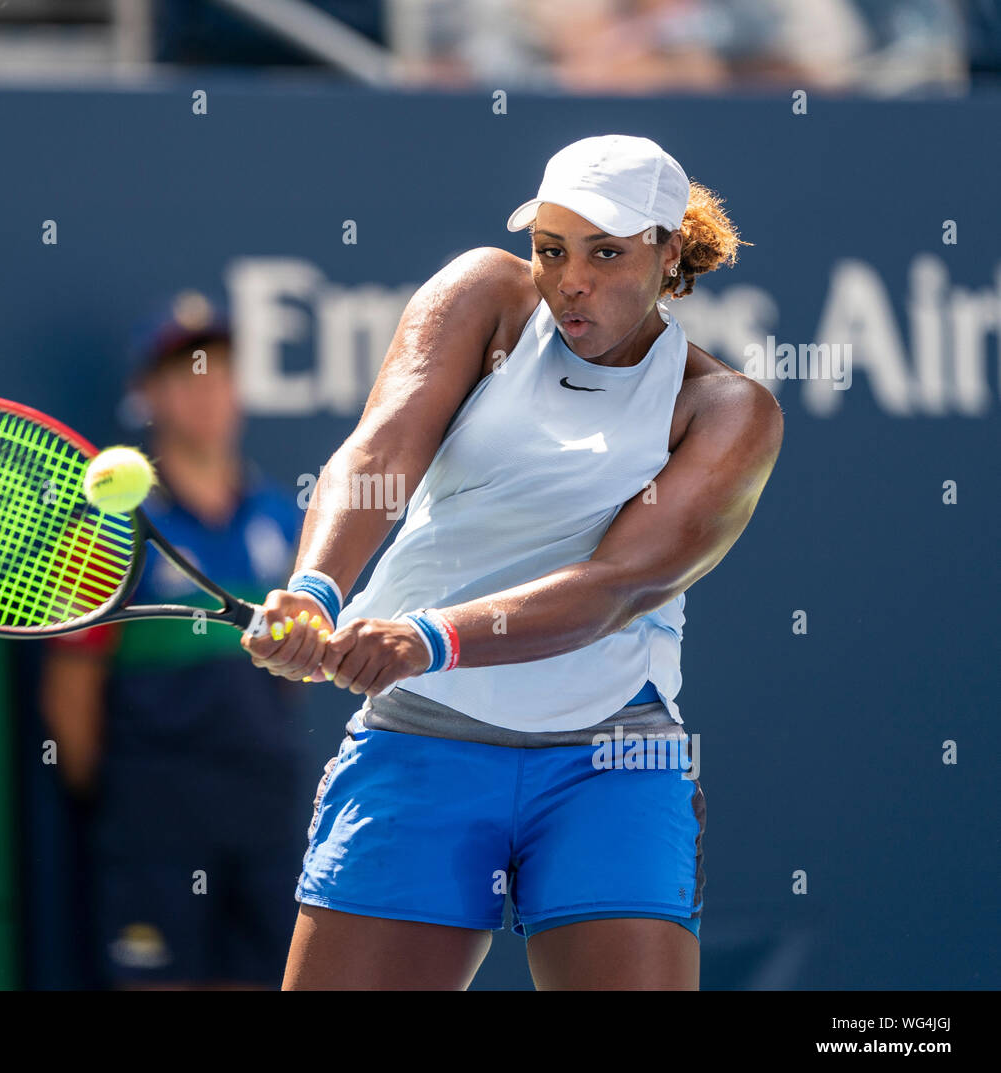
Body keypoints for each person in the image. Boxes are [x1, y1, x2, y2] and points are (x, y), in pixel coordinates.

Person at [242, 134, 784, 991]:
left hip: (608, 763)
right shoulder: (487, 296)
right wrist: (313, 589)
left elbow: (618, 587)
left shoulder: (725, 410)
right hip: (420, 739)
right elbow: (382, 450)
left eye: (606, 253)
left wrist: (428, 636)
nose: (571, 278)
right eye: (551, 249)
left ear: (667, 250)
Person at [41, 290, 307, 991]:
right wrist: (137, 800)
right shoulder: (102, 529)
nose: (205, 392)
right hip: (152, 823)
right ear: (146, 395)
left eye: (218, 372)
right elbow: (70, 692)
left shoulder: (282, 519)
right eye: (184, 376)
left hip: (265, 817)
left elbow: (288, 677)